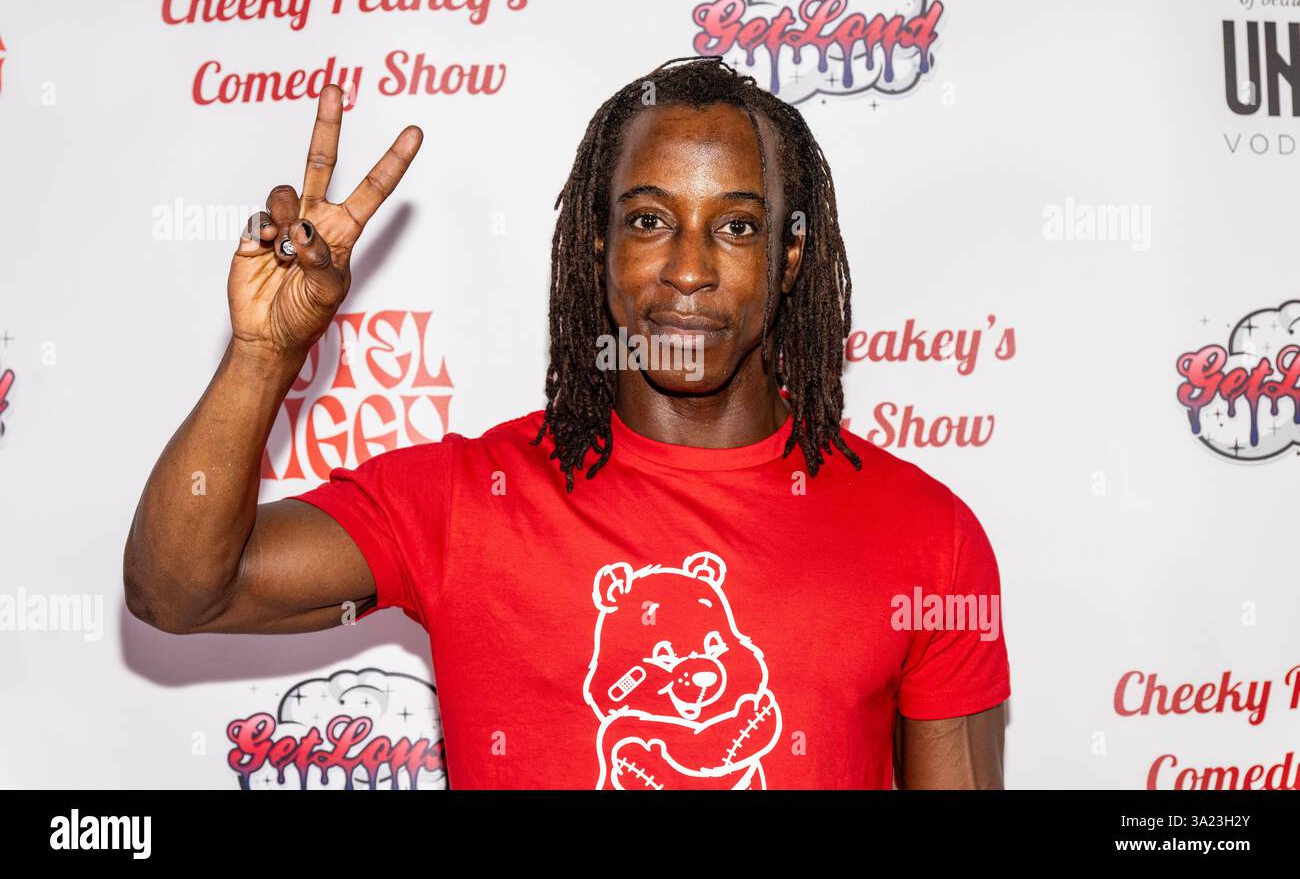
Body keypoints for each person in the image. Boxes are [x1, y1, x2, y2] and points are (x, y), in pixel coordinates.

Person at [124, 57, 1010, 789]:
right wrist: (263, 354)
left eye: (737, 227)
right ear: (596, 243)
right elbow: (179, 591)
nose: (689, 270)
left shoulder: (926, 538)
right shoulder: (466, 501)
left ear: (789, 256)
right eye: (650, 220)